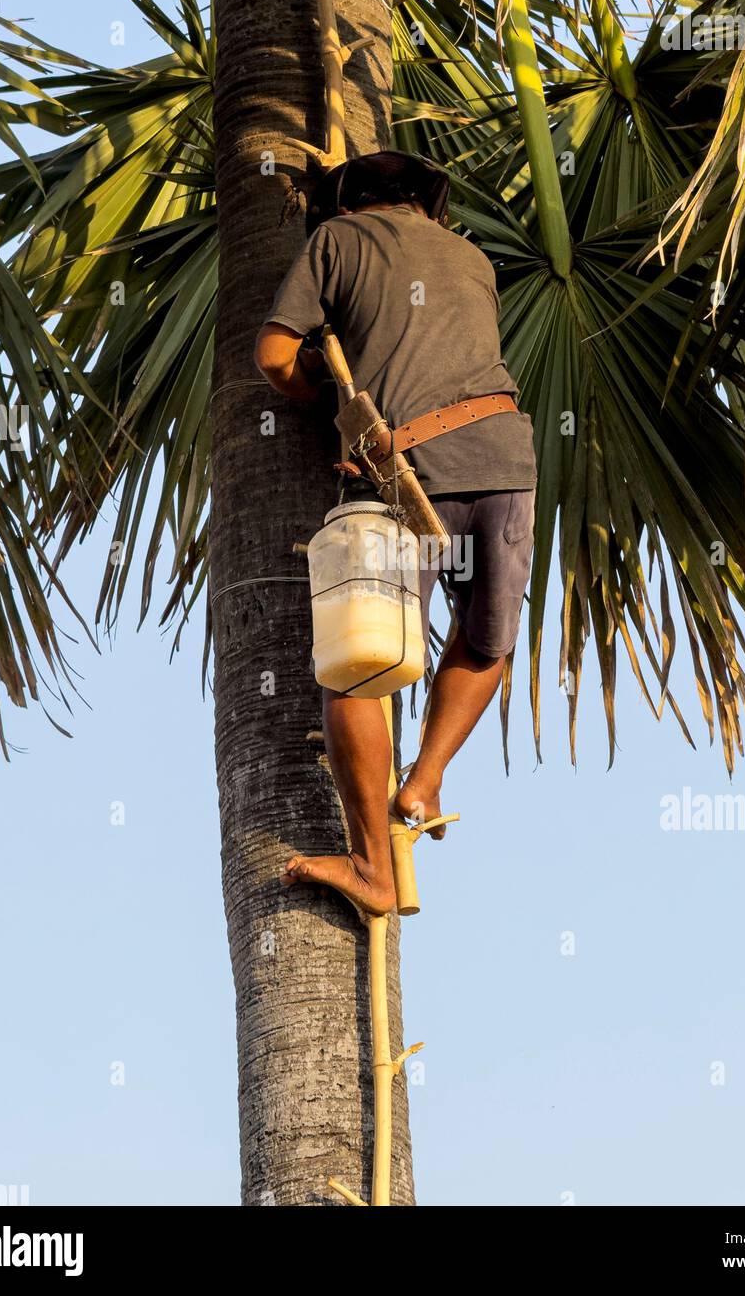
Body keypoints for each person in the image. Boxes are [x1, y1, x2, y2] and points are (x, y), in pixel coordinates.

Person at [255, 151, 536, 916]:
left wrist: (327, 395)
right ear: (428, 207)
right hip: (504, 459)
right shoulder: (471, 258)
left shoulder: (337, 239)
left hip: (400, 470)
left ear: (349, 206)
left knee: (354, 668)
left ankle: (371, 871)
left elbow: (274, 356)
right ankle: (425, 780)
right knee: (485, 642)